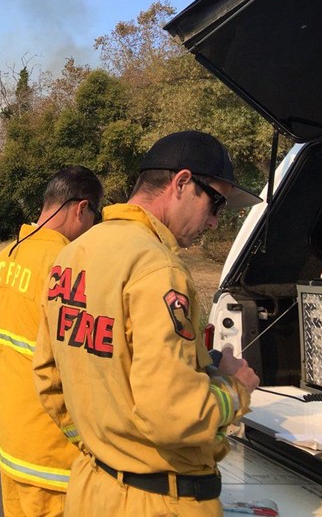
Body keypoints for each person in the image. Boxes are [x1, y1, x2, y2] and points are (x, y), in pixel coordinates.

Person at [32, 131, 263, 517]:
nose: (214, 222)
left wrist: (99, 447)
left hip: (91, 489)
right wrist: (235, 387)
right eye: (216, 203)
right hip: (159, 500)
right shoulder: (158, 269)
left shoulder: (73, 254)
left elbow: (47, 377)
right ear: (182, 183)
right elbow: (173, 413)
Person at [0, 165, 105, 517]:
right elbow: (76, 359)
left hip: (11, 443)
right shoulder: (64, 265)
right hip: (53, 454)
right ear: (81, 208)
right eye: (95, 217)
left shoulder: (6, 256)